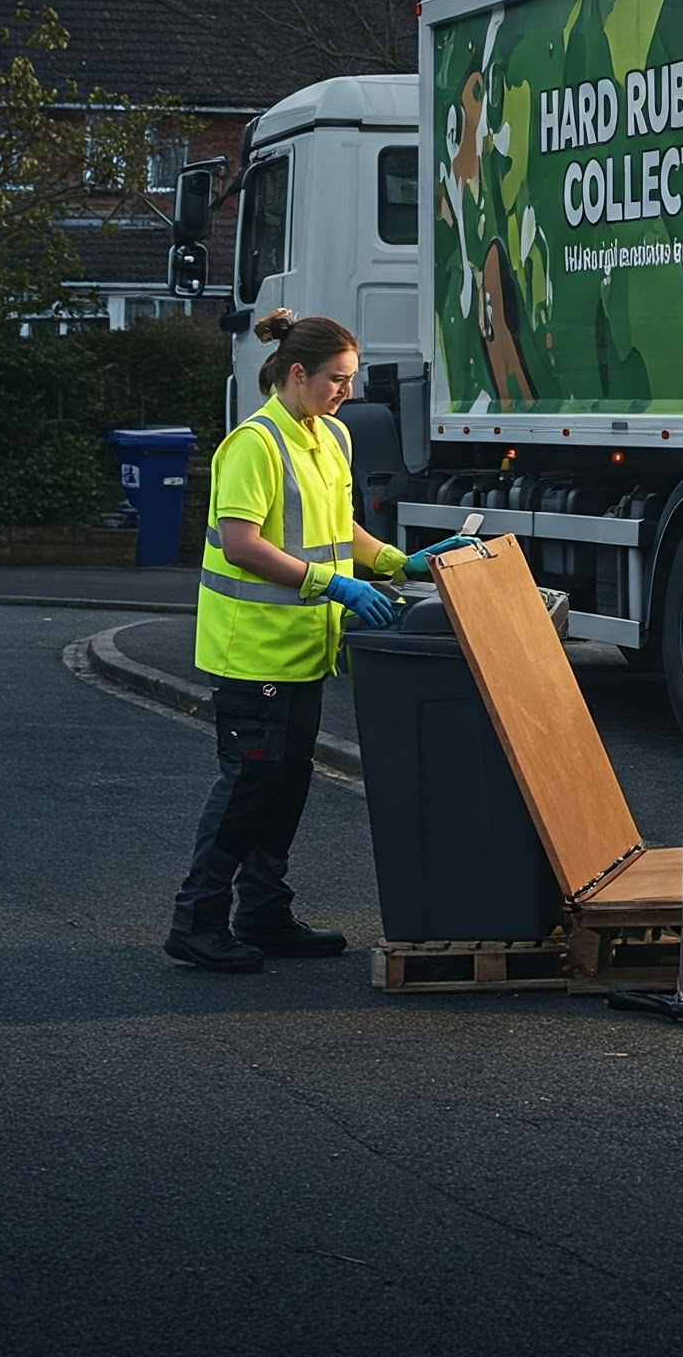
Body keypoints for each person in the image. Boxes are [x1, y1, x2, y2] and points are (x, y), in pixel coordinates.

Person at [165, 310, 468, 972]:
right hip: (251, 652)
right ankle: (196, 921)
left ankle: (263, 914)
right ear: (297, 373)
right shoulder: (254, 444)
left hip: (302, 650)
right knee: (248, 787)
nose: (347, 392)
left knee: (285, 788)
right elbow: (242, 545)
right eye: (337, 379)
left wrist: (399, 564)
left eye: (351, 379)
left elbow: (339, 527)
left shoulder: (331, 435)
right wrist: (333, 586)